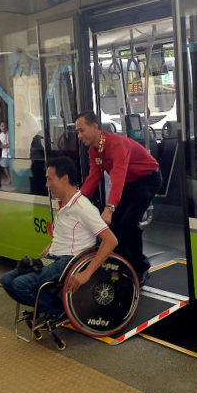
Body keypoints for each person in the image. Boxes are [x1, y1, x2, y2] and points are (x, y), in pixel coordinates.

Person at [0, 157, 118, 319]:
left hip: (66, 261)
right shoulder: (64, 205)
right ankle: (48, 307)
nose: (47, 185)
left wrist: (86, 273)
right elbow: (68, 234)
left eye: (50, 179)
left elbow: (111, 241)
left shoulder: (83, 208)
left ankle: (61, 310)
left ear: (65, 179)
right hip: (52, 258)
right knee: (7, 280)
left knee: (21, 285)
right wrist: (51, 246)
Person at [75, 111, 161, 282]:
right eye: (77, 132)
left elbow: (118, 177)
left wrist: (109, 207)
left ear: (94, 126)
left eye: (82, 130)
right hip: (130, 181)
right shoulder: (94, 151)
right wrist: (77, 202)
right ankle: (124, 263)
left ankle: (141, 268)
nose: (79, 136)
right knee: (115, 224)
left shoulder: (116, 144)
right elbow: (93, 177)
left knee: (129, 221)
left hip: (148, 178)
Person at [0, 121, 10, 188]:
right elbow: (0, 146)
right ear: (0, 127)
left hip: (11, 154)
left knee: (12, 167)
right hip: (4, 154)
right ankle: (9, 178)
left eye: (4, 125)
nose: (3, 127)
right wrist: (6, 145)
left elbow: (12, 144)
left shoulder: (10, 133)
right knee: (5, 167)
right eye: (2, 126)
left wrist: (5, 145)